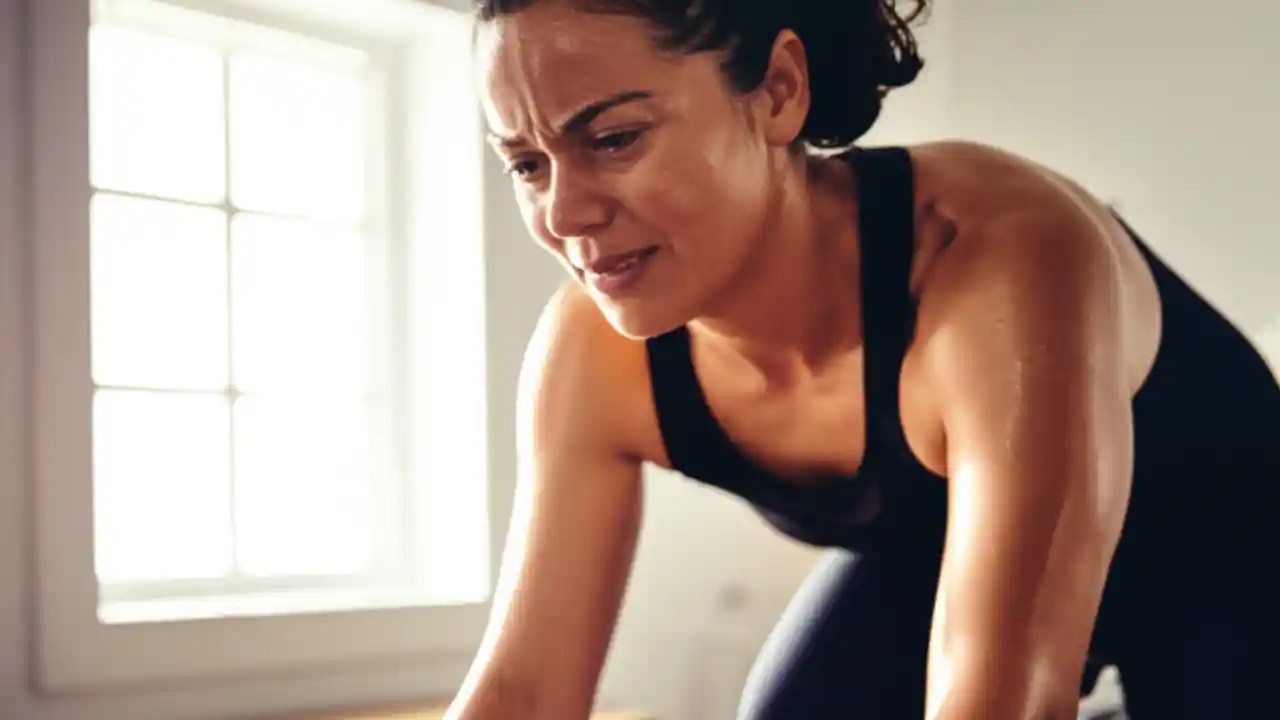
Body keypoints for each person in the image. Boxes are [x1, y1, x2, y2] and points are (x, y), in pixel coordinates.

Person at [447, 1, 1280, 718]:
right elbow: (524, 692)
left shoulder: (996, 260)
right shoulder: (592, 352)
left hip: (1230, 548)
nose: (565, 213)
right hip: (944, 550)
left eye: (617, 138)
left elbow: (1008, 704)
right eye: (525, 162)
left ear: (778, 91)